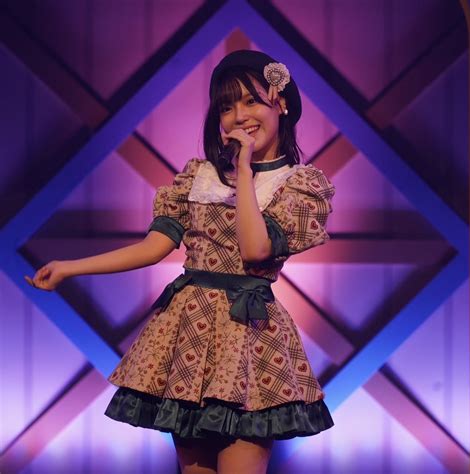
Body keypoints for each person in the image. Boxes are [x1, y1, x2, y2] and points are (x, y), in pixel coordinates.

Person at [25, 50, 335, 474]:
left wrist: (245, 171)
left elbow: (255, 250)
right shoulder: (199, 177)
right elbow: (153, 248)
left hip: (250, 340)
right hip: (188, 334)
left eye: (251, 101)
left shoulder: (299, 185)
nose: (239, 116)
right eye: (226, 107)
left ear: (280, 104)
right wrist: (70, 267)